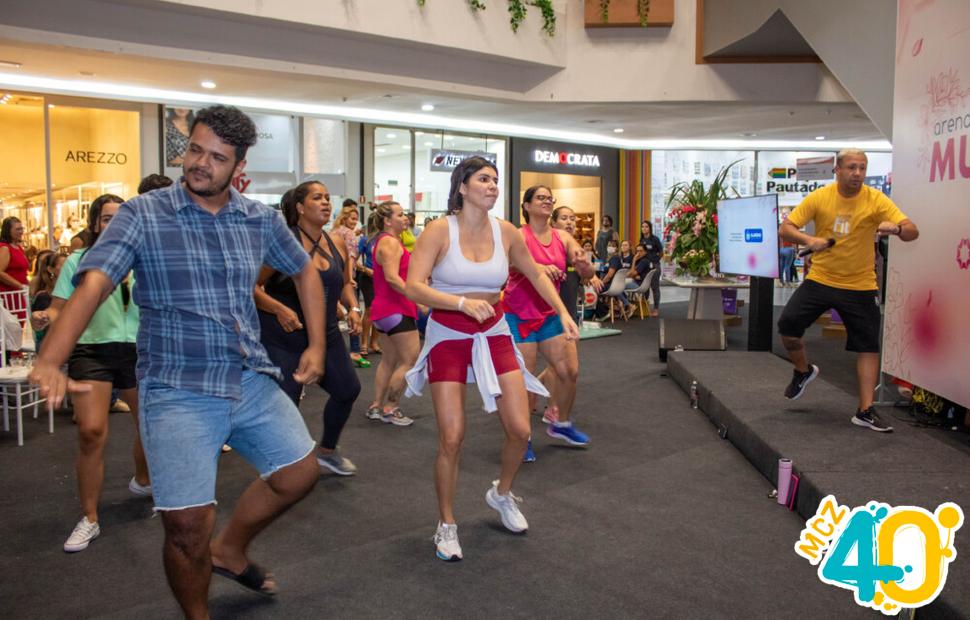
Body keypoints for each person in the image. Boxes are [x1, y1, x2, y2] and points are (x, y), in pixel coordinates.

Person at [30, 105, 325, 616]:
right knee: (187, 528)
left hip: (246, 375)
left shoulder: (257, 218)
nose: (200, 164)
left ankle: (230, 550)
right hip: (175, 387)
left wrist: (318, 344)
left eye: (216, 157)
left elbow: (305, 272)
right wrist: (53, 357)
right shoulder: (142, 214)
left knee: (299, 474)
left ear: (239, 166)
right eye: (194, 150)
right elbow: (96, 281)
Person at [404, 157, 580, 561]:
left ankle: (501, 493)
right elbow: (414, 287)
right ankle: (446, 524)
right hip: (448, 334)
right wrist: (461, 303)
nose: (492, 185)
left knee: (520, 430)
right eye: (483, 179)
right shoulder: (438, 230)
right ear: (462, 187)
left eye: (496, 180)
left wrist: (564, 313)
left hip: (494, 332)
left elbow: (536, 274)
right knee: (452, 437)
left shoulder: (505, 232)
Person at [31, 193, 151, 552]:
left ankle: (144, 480)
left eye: (120, 218)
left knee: (150, 427)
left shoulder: (145, 261)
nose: (113, 224)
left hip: (139, 352)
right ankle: (89, 517)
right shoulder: (80, 261)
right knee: (91, 432)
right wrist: (44, 318)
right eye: (106, 218)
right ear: (95, 223)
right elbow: (59, 308)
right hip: (92, 351)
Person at [777, 148, 919, 432]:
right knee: (788, 326)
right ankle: (803, 370)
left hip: (861, 284)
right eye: (852, 167)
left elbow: (912, 230)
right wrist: (811, 239)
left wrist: (898, 229)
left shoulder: (876, 199)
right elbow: (786, 228)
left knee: (867, 345)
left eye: (862, 168)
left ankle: (865, 410)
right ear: (837, 170)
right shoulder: (821, 197)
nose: (857, 173)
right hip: (821, 278)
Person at [255, 181, 362, 476]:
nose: (326, 202)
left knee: (348, 389)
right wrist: (277, 308)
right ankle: (282, 464)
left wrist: (352, 308)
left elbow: (342, 285)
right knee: (286, 401)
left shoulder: (336, 242)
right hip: (283, 334)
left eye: (328, 197)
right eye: (318, 198)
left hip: (325, 331)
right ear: (300, 207)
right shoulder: (282, 242)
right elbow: (252, 287)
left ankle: (327, 451)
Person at [505, 187, 596, 457]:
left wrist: (583, 265)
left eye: (549, 198)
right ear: (526, 205)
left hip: (550, 314)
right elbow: (511, 264)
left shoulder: (562, 237)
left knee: (569, 371)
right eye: (540, 198)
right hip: (519, 313)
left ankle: (560, 422)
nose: (546, 201)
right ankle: (523, 438)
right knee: (527, 379)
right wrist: (538, 267)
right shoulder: (518, 235)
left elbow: (589, 272)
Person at [365, 201, 419, 426]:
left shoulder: (385, 242)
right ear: (387, 221)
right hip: (396, 309)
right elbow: (392, 278)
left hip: (384, 311)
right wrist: (419, 296)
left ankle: (376, 406)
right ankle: (391, 408)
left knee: (389, 360)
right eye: (400, 215)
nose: (405, 218)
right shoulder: (390, 244)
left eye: (404, 214)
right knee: (410, 361)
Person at [331, 203, 369, 368]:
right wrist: (349, 277)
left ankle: (332, 352)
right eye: (353, 218)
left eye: (356, 219)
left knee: (333, 314)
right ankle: (354, 350)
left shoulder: (332, 233)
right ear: (344, 218)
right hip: (347, 278)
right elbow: (351, 257)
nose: (355, 222)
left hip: (332, 276)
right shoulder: (349, 235)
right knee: (354, 312)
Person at [636, 220, 663, 316]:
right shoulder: (641, 240)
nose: (644, 228)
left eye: (646, 226)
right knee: (645, 287)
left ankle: (656, 308)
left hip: (654, 266)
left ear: (650, 228)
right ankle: (645, 307)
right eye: (642, 227)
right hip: (644, 266)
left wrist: (655, 260)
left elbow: (661, 252)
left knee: (655, 287)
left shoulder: (655, 239)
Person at [0, 216, 29, 299]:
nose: (21, 232)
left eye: (21, 229)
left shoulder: (18, 247)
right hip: (10, 294)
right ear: (8, 231)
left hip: (20, 293)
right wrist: (20, 286)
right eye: (17, 229)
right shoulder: (5, 248)